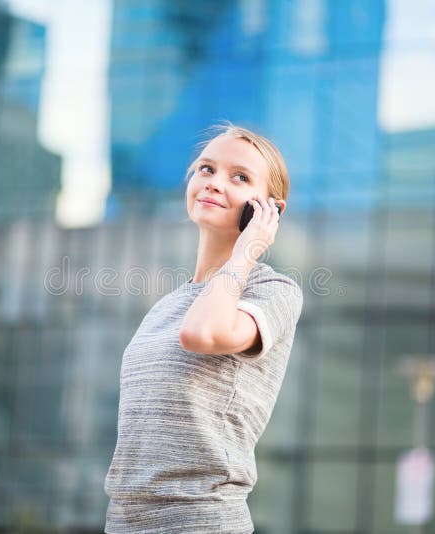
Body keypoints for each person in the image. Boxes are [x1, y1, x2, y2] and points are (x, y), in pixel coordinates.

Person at [104, 122, 304, 533]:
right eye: (206, 169)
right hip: (126, 523)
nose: (214, 183)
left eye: (240, 177)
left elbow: (203, 334)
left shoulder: (274, 290)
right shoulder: (167, 305)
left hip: (202, 521)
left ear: (269, 210)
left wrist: (249, 248)